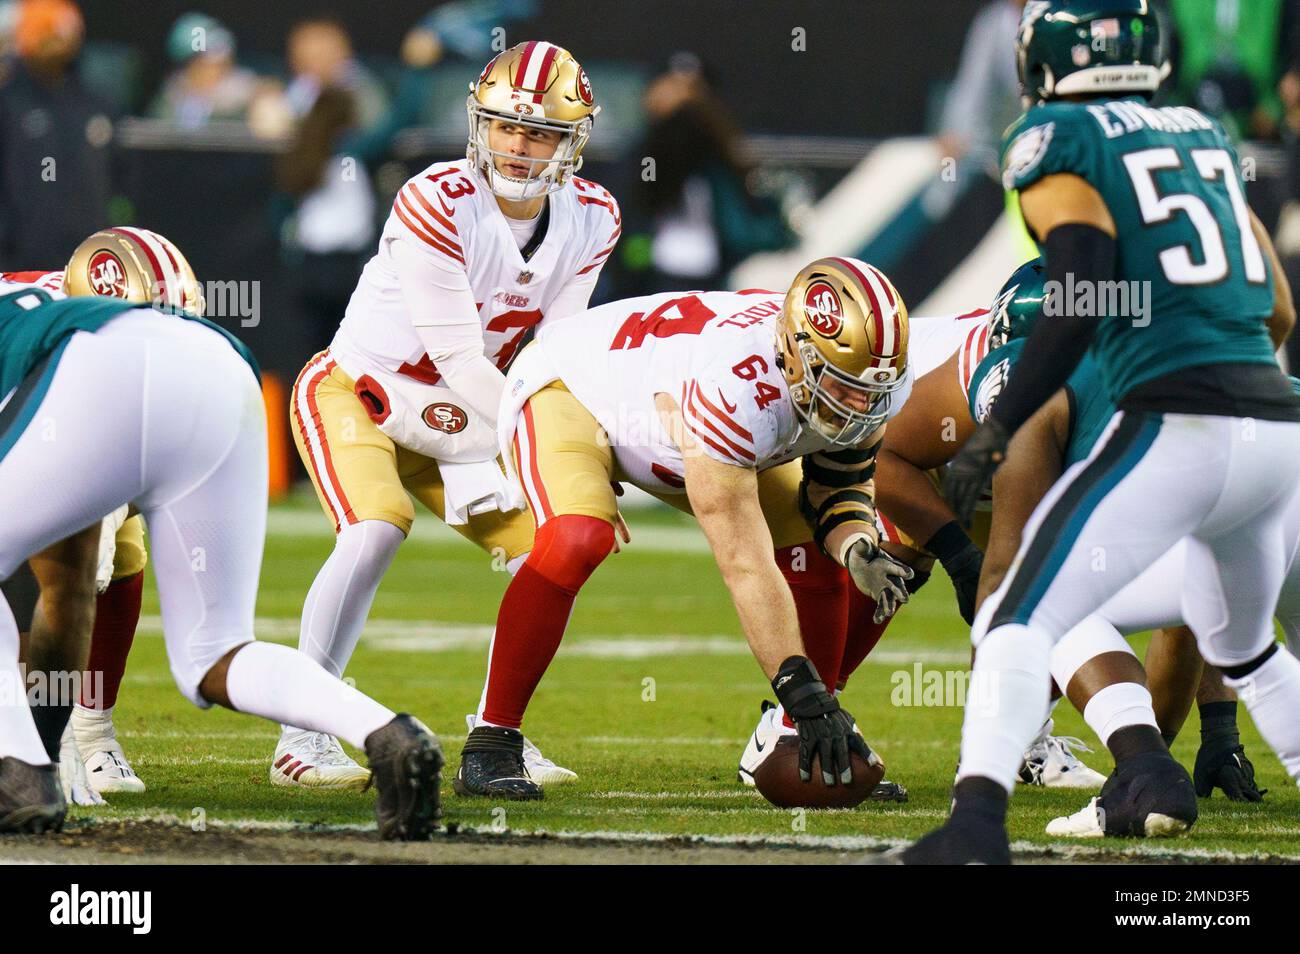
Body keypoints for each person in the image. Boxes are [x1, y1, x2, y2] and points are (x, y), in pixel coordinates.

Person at [904, 0, 1300, 864]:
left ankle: (973, 831)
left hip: (1181, 417)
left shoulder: (1055, 136)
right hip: (1278, 425)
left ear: (1040, 64)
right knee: (1249, 646)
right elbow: (1277, 307)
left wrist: (992, 432)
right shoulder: (1200, 132)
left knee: (1015, 611)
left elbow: (1077, 286)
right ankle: (1151, 770)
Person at [275, 41, 620, 790]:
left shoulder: (593, 216)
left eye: (539, 133)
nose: (518, 145)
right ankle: (301, 733)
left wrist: (585, 451)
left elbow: (552, 355)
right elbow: (463, 361)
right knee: (374, 528)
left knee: (551, 551)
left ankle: (496, 734)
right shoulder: (437, 198)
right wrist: (554, 447)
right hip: (362, 392)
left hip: (462, 417)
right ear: (479, 123)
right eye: (504, 126)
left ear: (573, 140)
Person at [0, 278, 441, 839]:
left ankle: (17, 770)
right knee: (213, 652)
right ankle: (390, 734)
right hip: (218, 364)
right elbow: (71, 570)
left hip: (96, 369)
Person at [461, 257, 916, 799]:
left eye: (869, 389)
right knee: (577, 538)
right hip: (576, 389)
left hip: (683, 424)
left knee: (813, 554)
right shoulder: (737, 388)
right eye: (842, 386)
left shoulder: (867, 380)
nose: (860, 405)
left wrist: (856, 545)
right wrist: (803, 690)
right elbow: (746, 566)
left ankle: (795, 739)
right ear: (794, 354)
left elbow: (835, 492)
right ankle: (492, 738)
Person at [0, 0, 115, 268]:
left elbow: (122, 179)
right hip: (18, 260)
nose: (57, 44)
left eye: (63, 35)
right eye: (48, 34)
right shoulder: (9, 104)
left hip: (88, 258)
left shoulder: (96, 105)